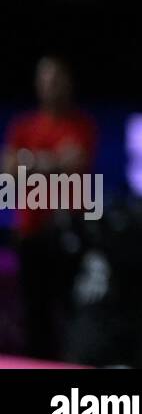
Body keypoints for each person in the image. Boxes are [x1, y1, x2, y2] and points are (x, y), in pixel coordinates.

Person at [1, 55, 98, 360]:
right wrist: (53, 161)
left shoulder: (82, 125)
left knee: (72, 309)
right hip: (31, 233)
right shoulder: (22, 126)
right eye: (45, 80)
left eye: (56, 79)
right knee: (35, 314)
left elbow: (76, 164)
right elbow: (8, 172)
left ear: (67, 83)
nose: (51, 86)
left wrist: (32, 162)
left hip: (71, 233)